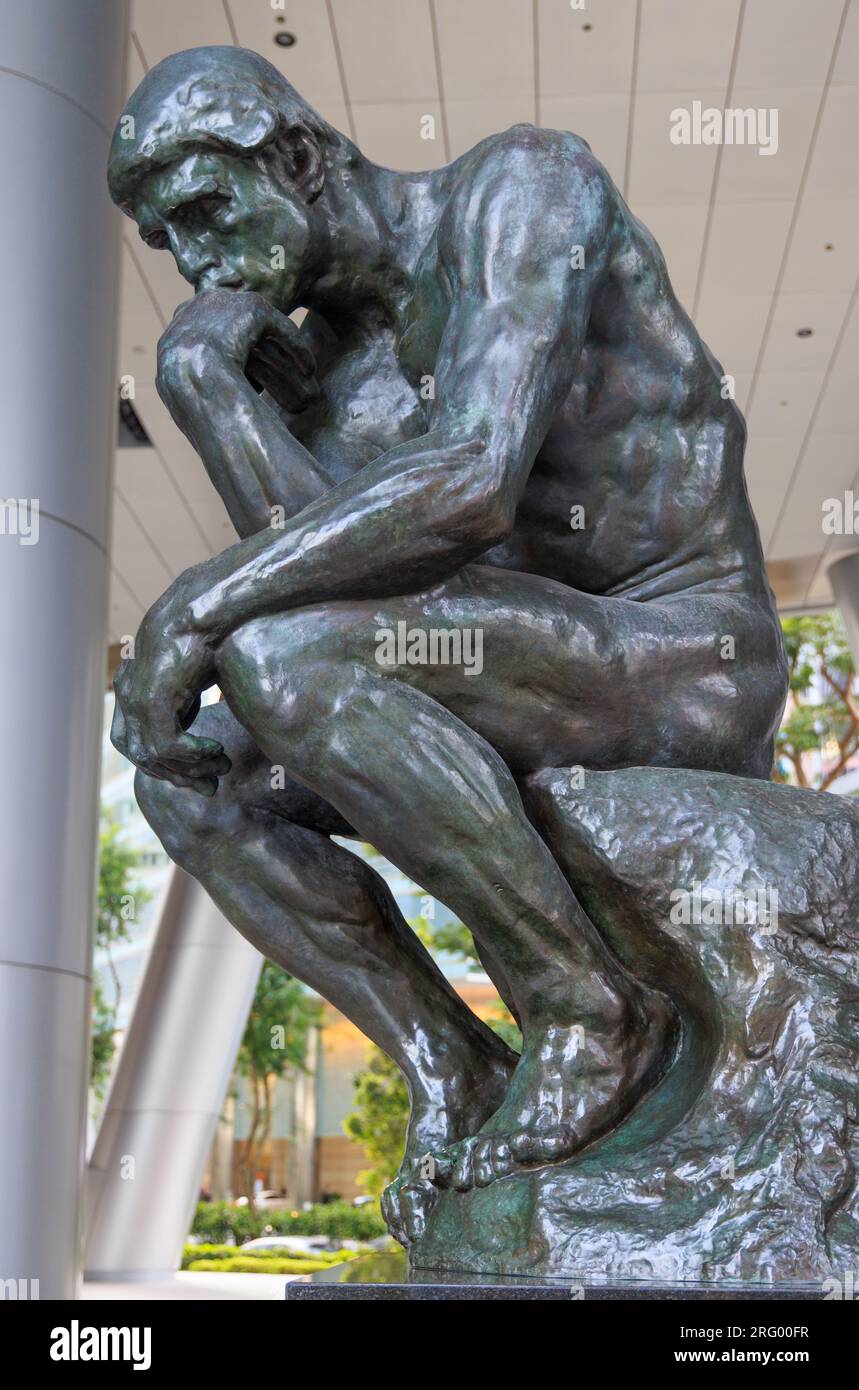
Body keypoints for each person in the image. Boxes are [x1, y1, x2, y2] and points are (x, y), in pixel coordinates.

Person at [107, 47, 787, 1244]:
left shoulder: (521, 191)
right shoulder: (318, 366)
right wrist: (212, 393)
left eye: (208, 210)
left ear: (302, 159)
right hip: (525, 664)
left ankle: (585, 1007)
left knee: (272, 657)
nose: (198, 262)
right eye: (167, 242)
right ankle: (455, 1064)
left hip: (679, 655)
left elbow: (469, 484)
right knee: (192, 776)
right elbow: (310, 563)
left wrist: (192, 608)